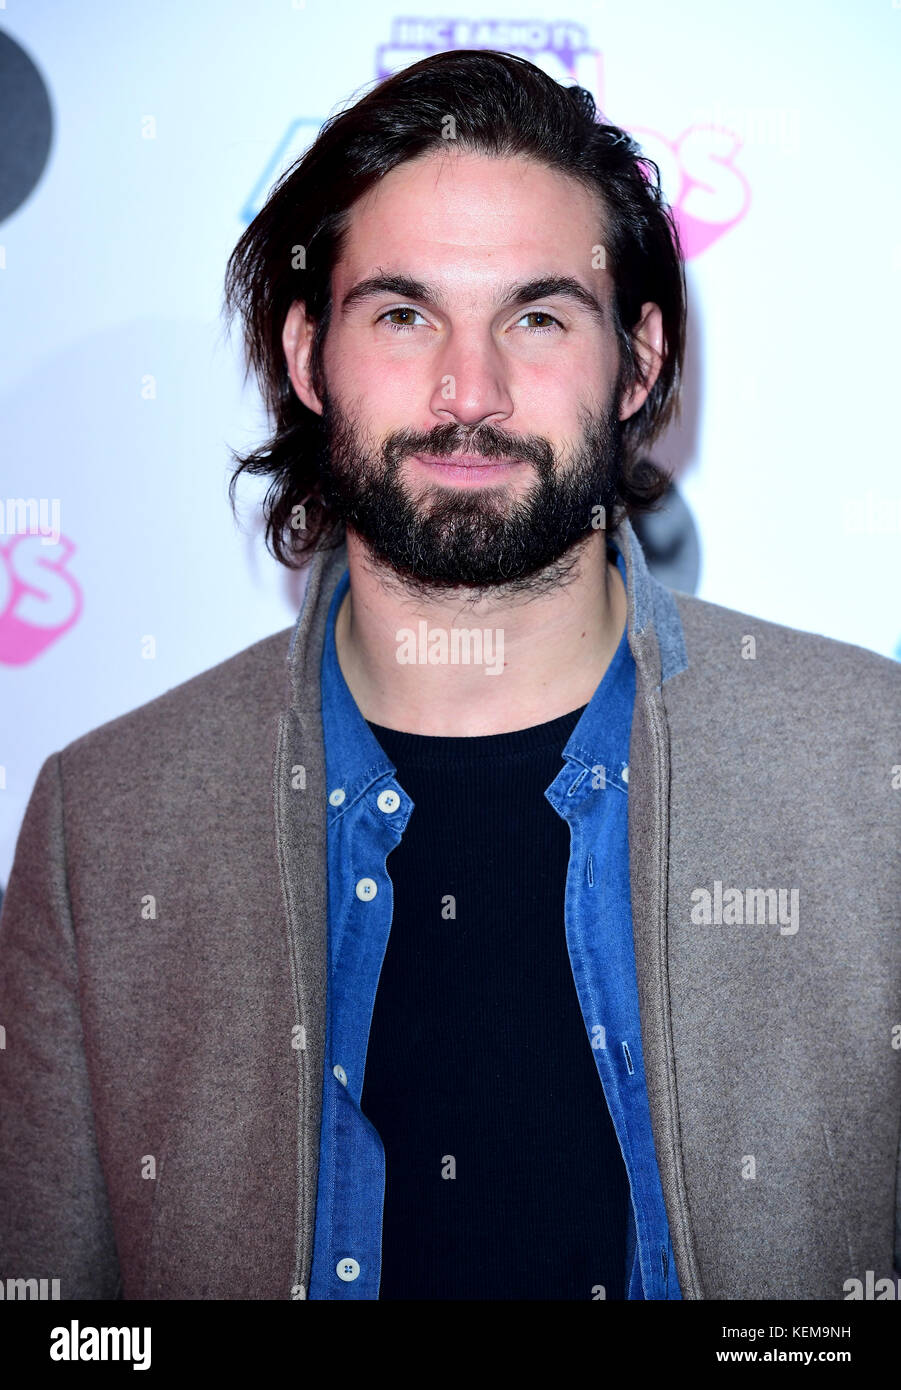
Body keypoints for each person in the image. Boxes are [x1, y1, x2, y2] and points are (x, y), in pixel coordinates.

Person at [0, 49, 898, 1302]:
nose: (466, 393)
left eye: (536, 316)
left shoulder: (873, 773)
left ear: (637, 361)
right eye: (402, 314)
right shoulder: (105, 827)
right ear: (308, 355)